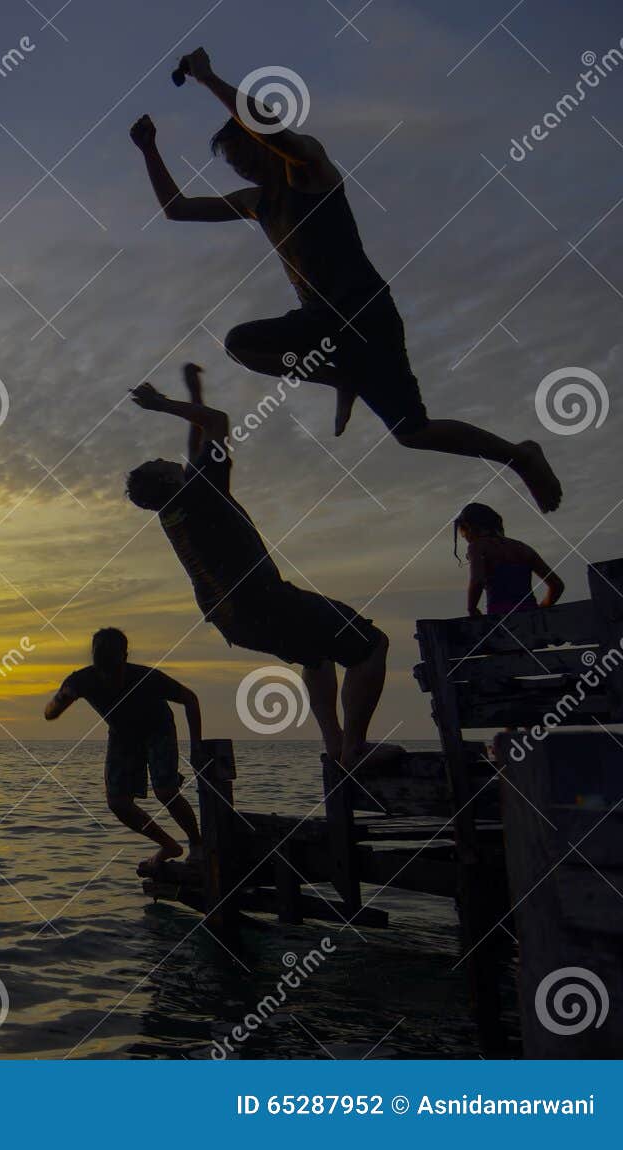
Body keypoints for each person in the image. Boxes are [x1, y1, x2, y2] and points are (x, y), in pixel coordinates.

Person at [129, 47, 562, 512]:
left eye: (247, 155)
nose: (243, 168)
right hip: (319, 320)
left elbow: (273, 129)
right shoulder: (256, 203)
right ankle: (341, 377)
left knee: (413, 432)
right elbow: (178, 210)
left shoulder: (311, 170)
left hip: (366, 312)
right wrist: (150, 151)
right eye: (234, 164)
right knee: (241, 343)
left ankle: (519, 456)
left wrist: (210, 79)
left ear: (263, 142)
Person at [125, 363, 392, 773]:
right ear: (170, 480)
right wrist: (162, 404)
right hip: (265, 603)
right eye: (164, 463)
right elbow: (217, 422)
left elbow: (199, 440)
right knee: (371, 644)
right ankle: (354, 748)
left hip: (234, 621)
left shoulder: (175, 509)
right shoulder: (202, 491)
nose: (170, 459)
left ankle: (337, 747)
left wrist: (194, 393)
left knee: (316, 655)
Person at [43, 626, 204, 875]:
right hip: (122, 736)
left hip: (157, 728)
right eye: (103, 672)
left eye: (114, 671)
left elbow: (190, 699)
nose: (109, 679)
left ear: (125, 659)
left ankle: (197, 843)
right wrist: (61, 699)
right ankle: (169, 846)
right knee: (117, 802)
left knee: (165, 790)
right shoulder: (81, 680)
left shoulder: (146, 677)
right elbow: (49, 714)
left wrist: (197, 747)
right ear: (95, 665)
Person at [455, 502, 564, 616]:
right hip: (531, 617)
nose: (465, 537)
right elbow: (557, 585)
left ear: (469, 526)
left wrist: (472, 609)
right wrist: (541, 609)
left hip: (500, 618)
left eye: (463, 531)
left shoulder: (477, 546)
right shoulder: (523, 548)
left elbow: (477, 580)